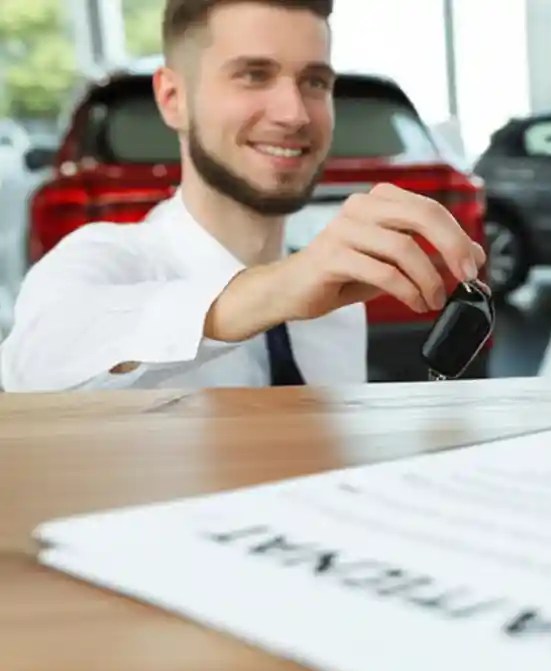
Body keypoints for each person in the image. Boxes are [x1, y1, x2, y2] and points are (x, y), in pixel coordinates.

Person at [0, 0, 485, 392]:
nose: (294, 113)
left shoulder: (338, 311)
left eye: (315, 82)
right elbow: (31, 364)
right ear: (173, 99)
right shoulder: (108, 259)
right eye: (253, 74)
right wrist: (273, 291)